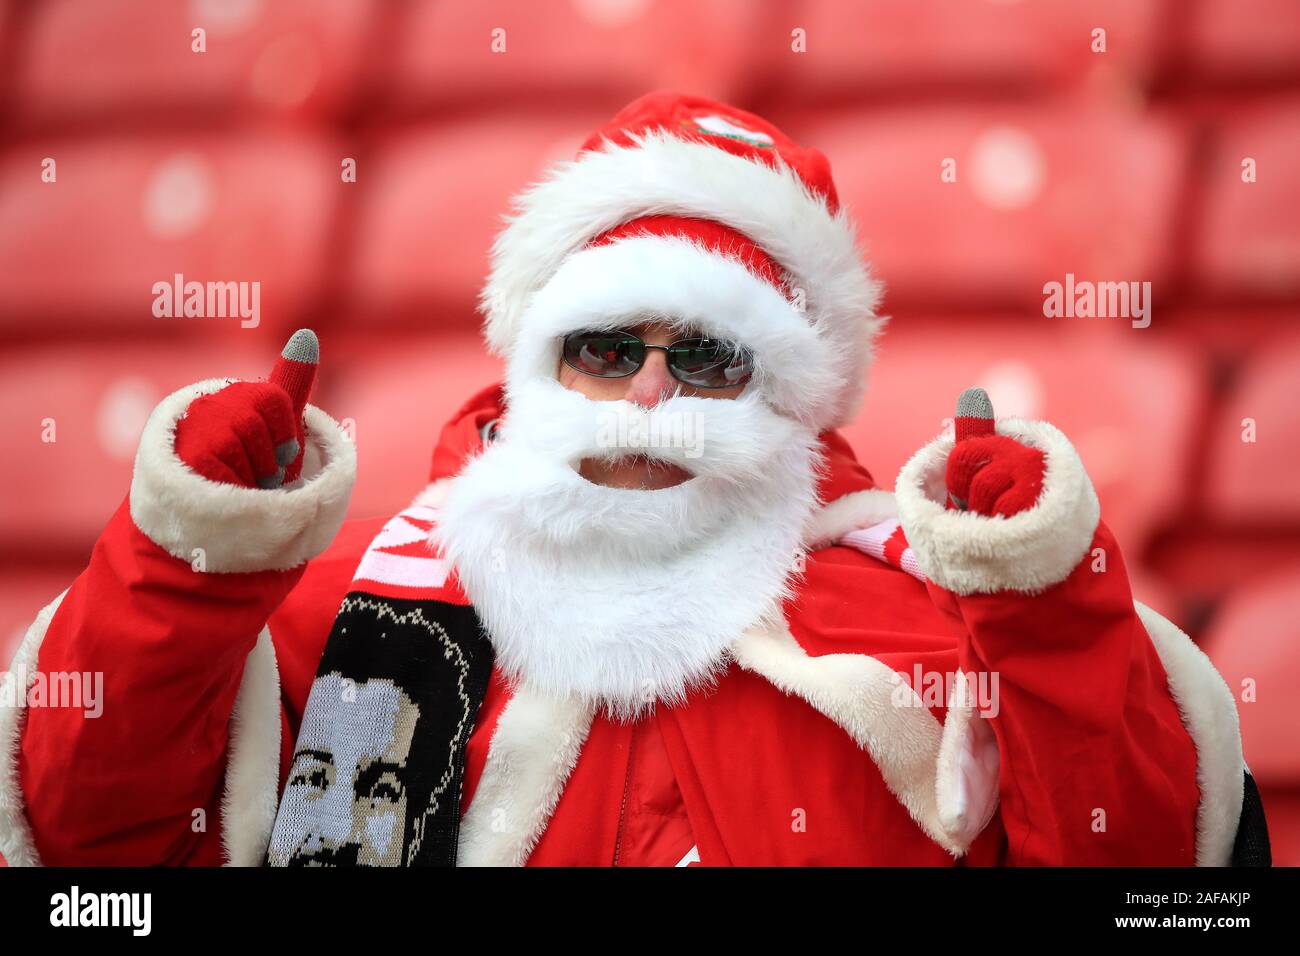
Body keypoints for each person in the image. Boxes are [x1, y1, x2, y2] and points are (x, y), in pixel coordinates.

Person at [0, 91, 1265, 867]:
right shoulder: (345, 620)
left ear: (784, 398)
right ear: (538, 371)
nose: (651, 395)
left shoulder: (931, 626)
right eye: (606, 349)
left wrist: (1048, 614)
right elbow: (93, 853)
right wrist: (188, 564)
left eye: (705, 356)